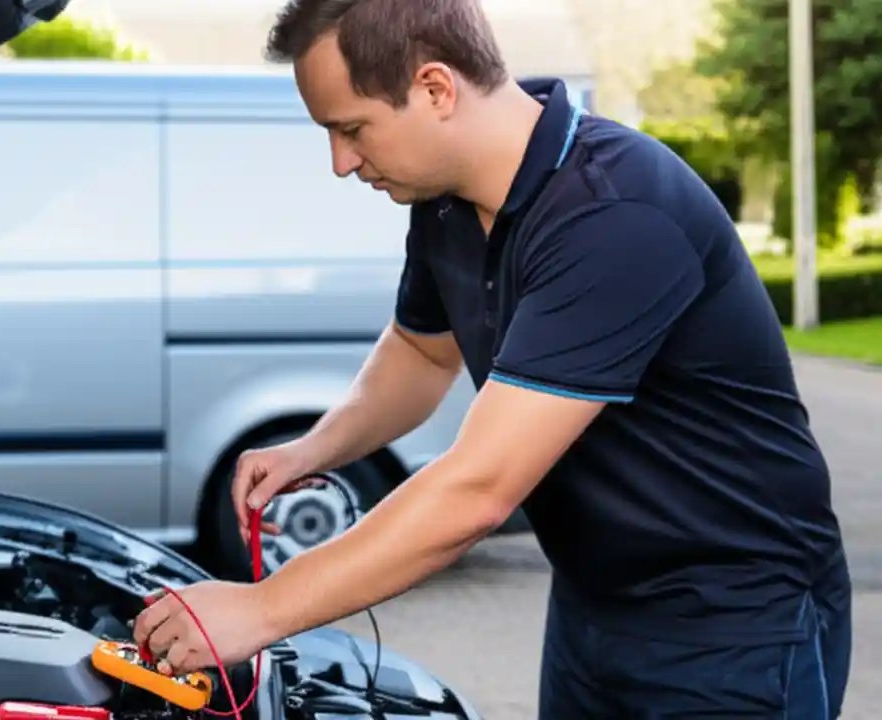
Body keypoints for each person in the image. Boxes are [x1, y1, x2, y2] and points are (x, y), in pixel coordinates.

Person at [133, 0, 853, 716]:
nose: (342, 163)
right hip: (592, 603)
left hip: (735, 623)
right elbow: (420, 352)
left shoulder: (616, 214)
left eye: (352, 129)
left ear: (436, 88)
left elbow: (478, 491)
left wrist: (260, 611)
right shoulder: (444, 203)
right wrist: (315, 450)